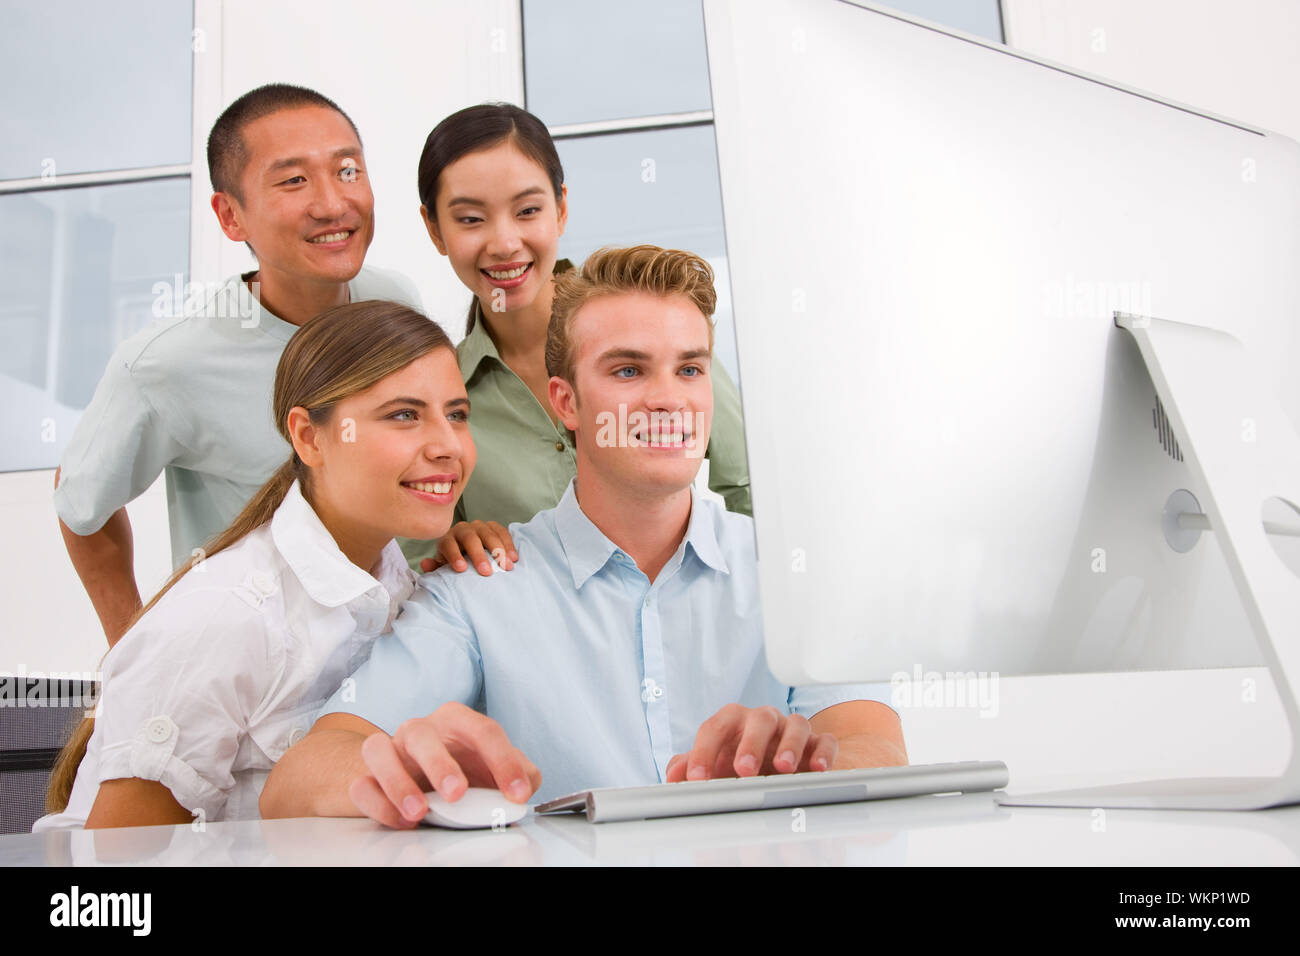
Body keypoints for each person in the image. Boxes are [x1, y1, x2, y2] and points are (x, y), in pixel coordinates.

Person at [260, 246, 905, 826]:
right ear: (566, 403)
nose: (667, 401)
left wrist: (810, 774)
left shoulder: (790, 577)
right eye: (628, 371)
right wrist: (404, 776)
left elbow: (875, 746)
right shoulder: (480, 593)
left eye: (689, 370)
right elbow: (299, 777)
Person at [34, 300, 488, 830]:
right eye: (404, 415)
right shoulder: (224, 619)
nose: (447, 445)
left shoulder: (402, 590)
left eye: (456, 414)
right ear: (308, 437)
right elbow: (122, 879)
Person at [55, 83, 421, 646]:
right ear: (231, 215)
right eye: (294, 180)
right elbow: (81, 502)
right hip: (254, 680)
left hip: (399, 644)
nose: (332, 203)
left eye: (348, 170)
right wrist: (131, 651)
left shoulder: (394, 304)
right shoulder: (165, 365)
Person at [404, 103, 752, 576]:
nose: (505, 243)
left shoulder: (655, 332)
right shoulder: (438, 399)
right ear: (434, 229)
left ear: (561, 209)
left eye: (528, 211)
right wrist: (451, 546)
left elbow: (750, 490)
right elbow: (417, 567)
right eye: (470, 219)